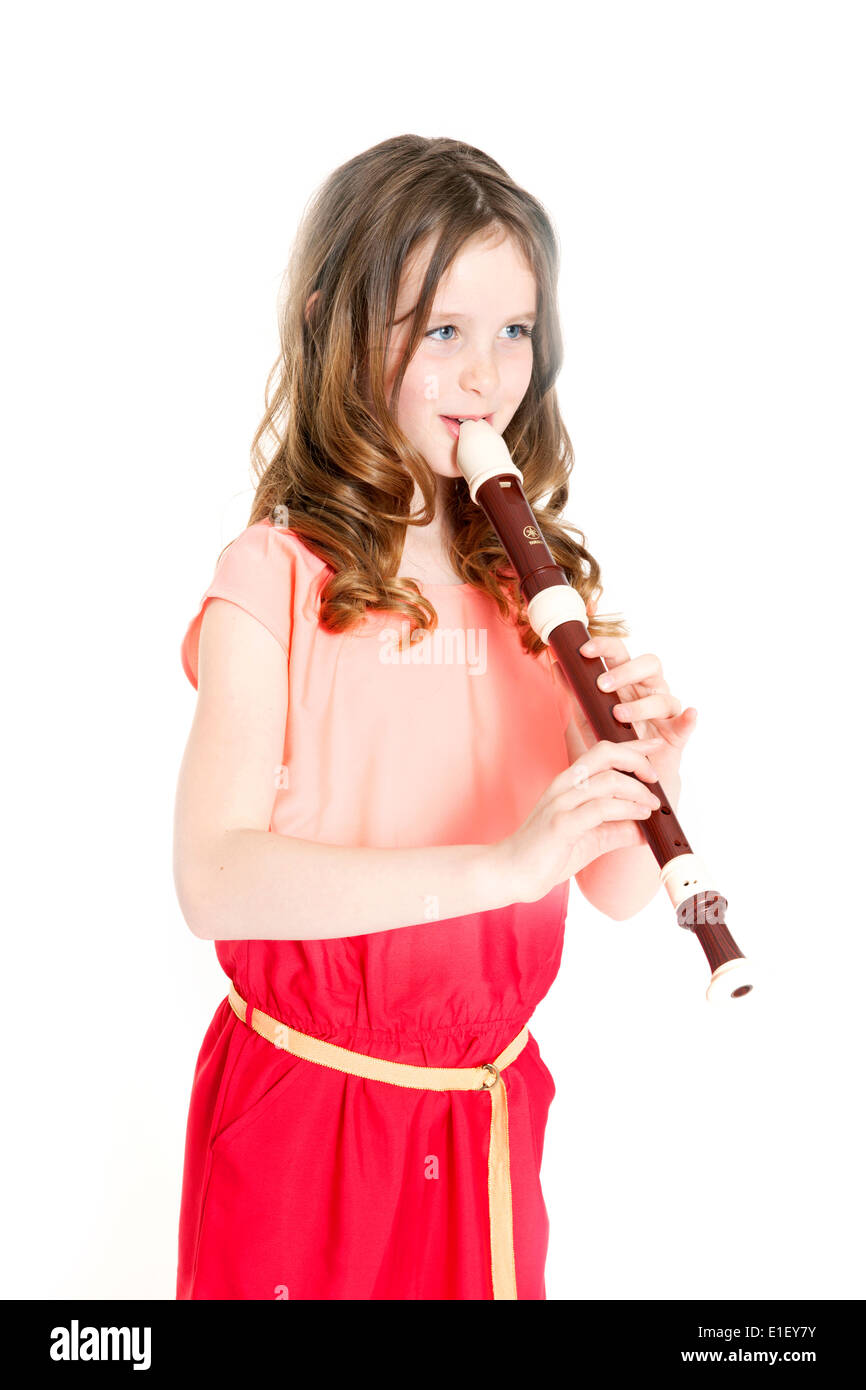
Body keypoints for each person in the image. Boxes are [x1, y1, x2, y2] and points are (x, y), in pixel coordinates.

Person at [173, 134, 697, 1301]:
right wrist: (499, 865)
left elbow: (611, 892)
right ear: (336, 327)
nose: (485, 375)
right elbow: (212, 878)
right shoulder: (273, 575)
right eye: (441, 330)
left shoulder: (531, 581)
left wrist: (639, 771)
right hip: (309, 1110)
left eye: (514, 331)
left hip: (484, 1116)